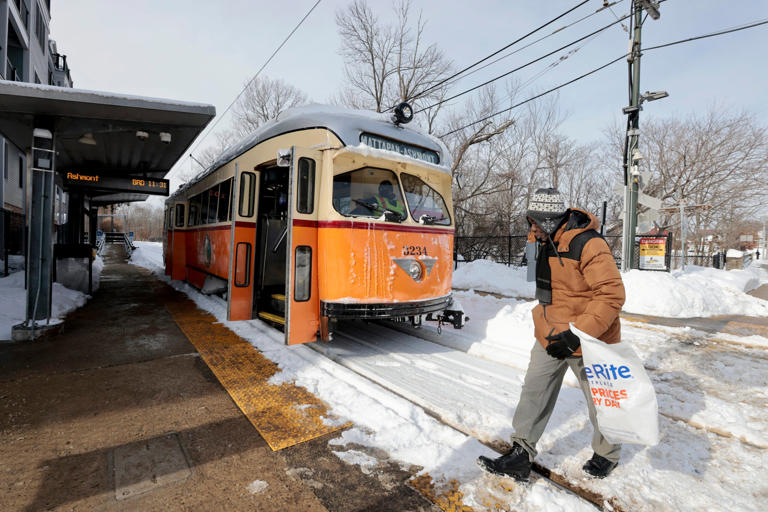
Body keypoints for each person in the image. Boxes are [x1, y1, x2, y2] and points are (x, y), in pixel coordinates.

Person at [477, 188, 626, 481]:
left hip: (590, 336)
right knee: (534, 391)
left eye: (535, 222)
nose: (531, 228)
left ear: (549, 221)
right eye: (530, 222)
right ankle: (521, 454)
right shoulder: (542, 239)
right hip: (551, 330)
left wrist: (578, 335)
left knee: (601, 400)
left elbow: (612, 294)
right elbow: (539, 280)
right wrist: (535, 243)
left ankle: (607, 454)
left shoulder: (589, 244)